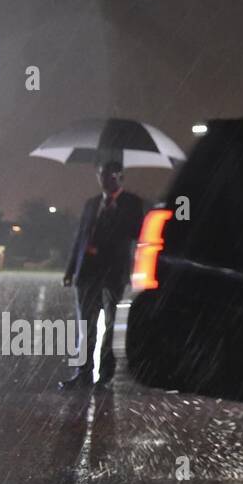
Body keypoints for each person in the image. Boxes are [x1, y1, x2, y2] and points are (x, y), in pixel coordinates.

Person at [58, 160, 145, 389]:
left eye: (111, 176)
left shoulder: (132, 203)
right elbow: (80, 238)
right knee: (85, 325)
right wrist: (70, 270)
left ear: (120, 177)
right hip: (87, 272)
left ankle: (105, 376)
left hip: (113, 271)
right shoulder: (92, 203)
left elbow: (137, 231)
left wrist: (118, 216)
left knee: (110, 324)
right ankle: (83, 373)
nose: (105, 180)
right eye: (102, 176)